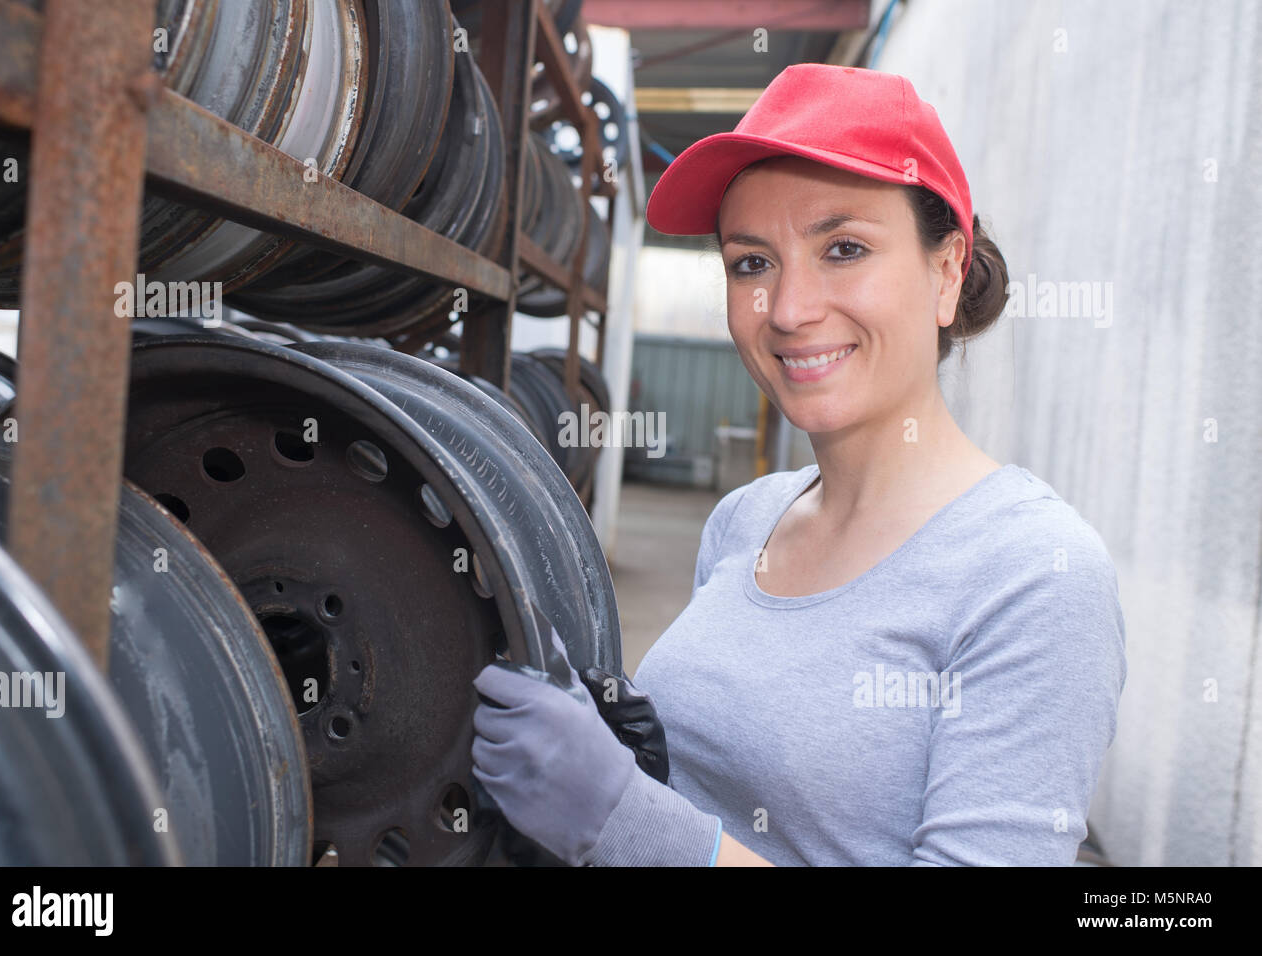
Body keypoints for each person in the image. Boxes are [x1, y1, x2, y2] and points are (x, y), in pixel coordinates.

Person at [471, 63, 1127, 866]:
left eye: (843, 248)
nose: (787, 310)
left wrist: (623, 819)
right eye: (752, 263)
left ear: (947, 271)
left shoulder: (1033, 573)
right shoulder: (745, 520)